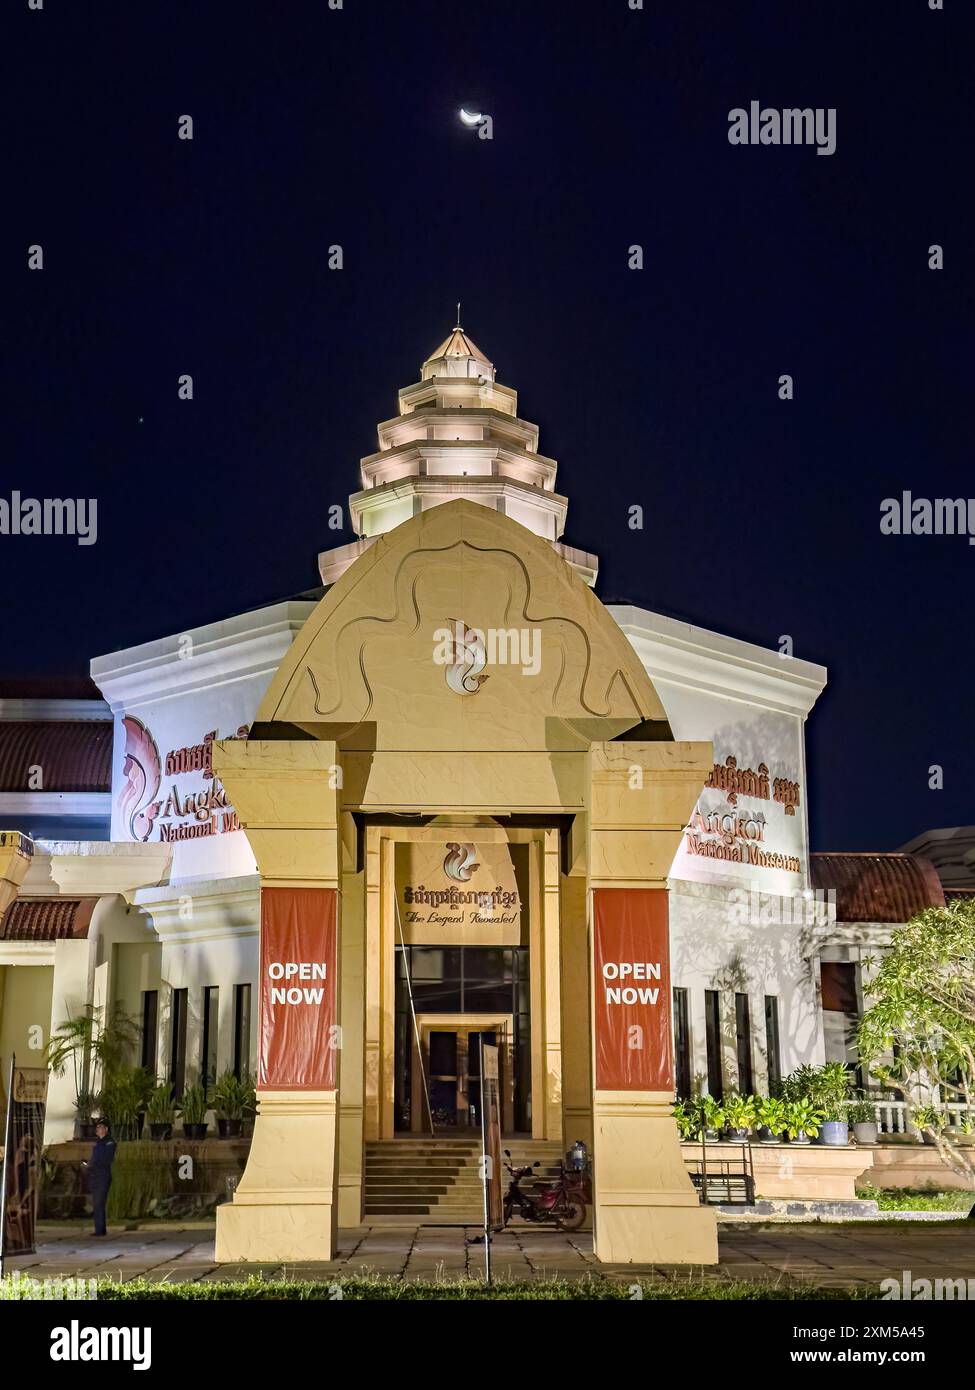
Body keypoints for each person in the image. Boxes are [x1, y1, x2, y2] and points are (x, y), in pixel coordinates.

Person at [83, 1118, 116, 1237]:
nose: (97, 1129)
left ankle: (100, 1230)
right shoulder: (98, 1143)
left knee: (99, 1202)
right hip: (95, 1175)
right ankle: (99, 1229)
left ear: (106, 1129)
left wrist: (94, 1163)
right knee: (96, 1203)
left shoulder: (109, 1143)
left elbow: (106, 1159)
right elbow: (95, 1158)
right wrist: (89, 1164)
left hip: (103, 1175)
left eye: (100, 1127)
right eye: (97, 1128)